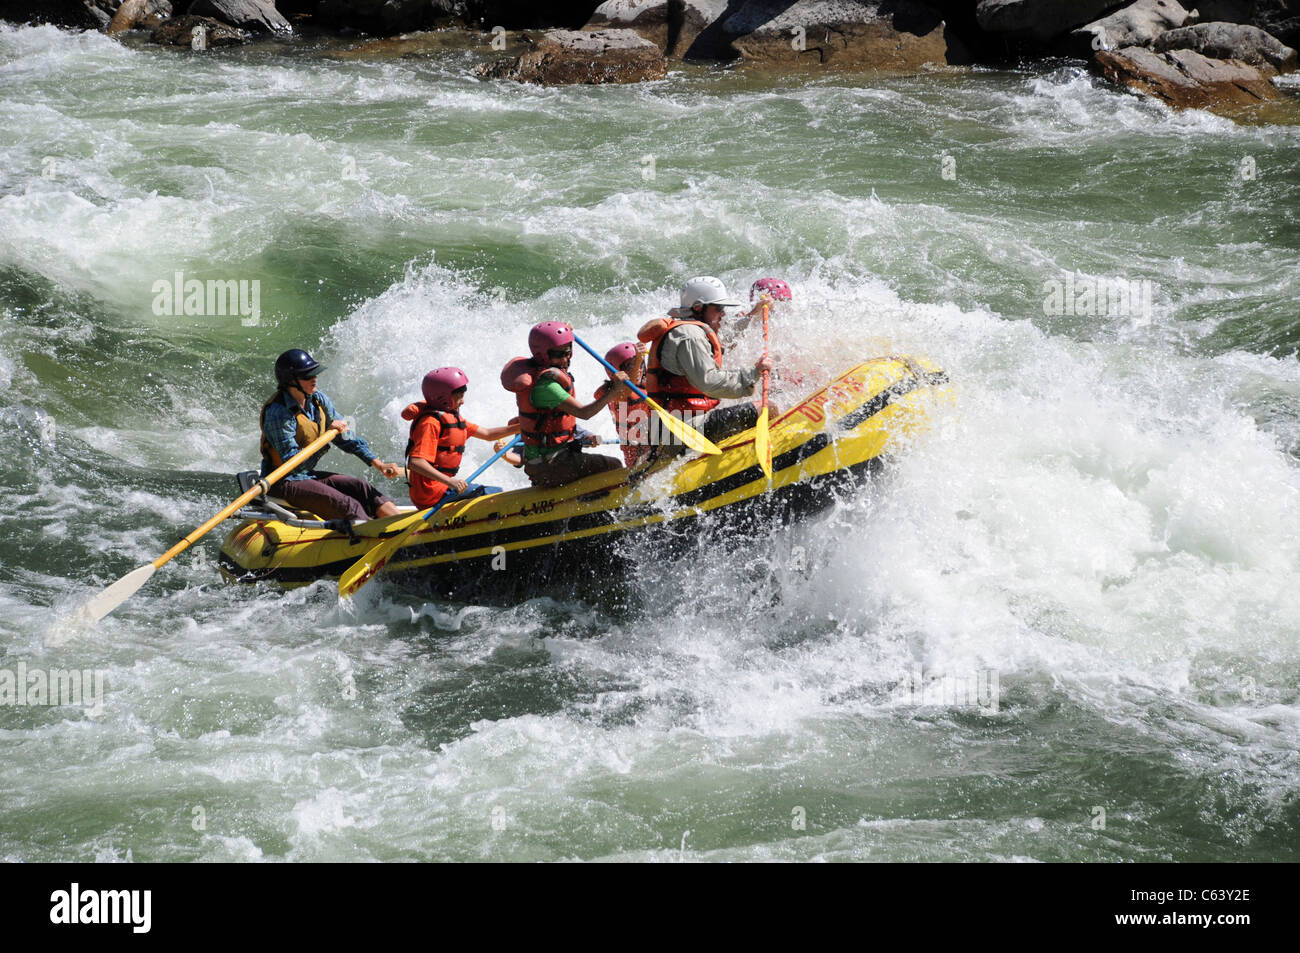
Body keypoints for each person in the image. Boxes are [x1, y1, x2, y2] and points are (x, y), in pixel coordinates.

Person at [260, 348, 402, 523]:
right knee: (348, 504)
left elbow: (346, 437)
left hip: (305, 476)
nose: (314, 378)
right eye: (307, 376)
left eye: (314, 373)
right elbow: (293, 465)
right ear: (291, 381)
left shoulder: (317, 399)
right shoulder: (278, 413)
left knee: (361, 486)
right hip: (282, 482)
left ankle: (402, 526)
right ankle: (370, 536)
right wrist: (325, 436)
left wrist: (377, 463)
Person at [637, 276, 776, 449]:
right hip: (681, 431)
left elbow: (723, 342)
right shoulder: (689, 335)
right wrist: (753, 373)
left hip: (678, 426)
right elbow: (709, 381)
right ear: (698, 308)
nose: (723, 313)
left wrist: (752, 315)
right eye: (718, 308)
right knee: (768, 409)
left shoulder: (688, 329)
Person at [500, 321, 630, 488]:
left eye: (568, 352)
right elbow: (585, 413)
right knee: (614, 465)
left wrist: (565, 334)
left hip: (549, 462)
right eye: (558, 354)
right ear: (542, 355)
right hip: (551, 465)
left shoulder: (542, 372)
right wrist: (614, 391)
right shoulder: (547, 387)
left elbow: (556, 422)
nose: (565, 359)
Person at [402, 367, 520, 509]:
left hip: (440, 488)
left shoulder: (450, 418)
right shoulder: (430, 423)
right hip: (430, 492)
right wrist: (451, 482)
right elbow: (416, 463)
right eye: (459, 397)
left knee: (491, 493)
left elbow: (488, 434)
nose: (462, 402)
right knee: (495, 494)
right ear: (443, 398)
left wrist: (522, 427)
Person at [593, 341, 652, 468]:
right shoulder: (611, 393)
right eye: (629, 366)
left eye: (640, 364)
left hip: (656, 445)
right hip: (638, 457)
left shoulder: (646, 382)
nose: (638, 369)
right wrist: (638, 360)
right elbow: (625, 393)